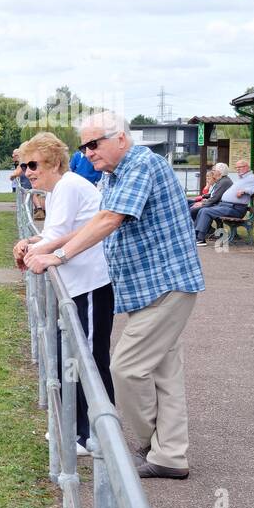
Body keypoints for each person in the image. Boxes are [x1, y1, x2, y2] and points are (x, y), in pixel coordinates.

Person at [26, 112, 204, 479]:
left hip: (167, 284)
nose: (88, 152)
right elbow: (94, 223)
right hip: (146, 290)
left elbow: (110, 220)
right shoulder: (113, 175)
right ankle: (169, 456)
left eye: (95, 143)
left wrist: (55, 256)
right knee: (164, 374)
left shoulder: (141, 164)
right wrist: (42, 245)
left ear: (120, 138)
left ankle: (144, 443)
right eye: (84, 146)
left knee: (126, 368)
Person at [12, 133, 114, 456]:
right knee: (72, 356)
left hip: (90, 284)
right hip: (78, 286)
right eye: (24, 165)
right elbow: (54, 234)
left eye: (33, 164)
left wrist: (33, 248)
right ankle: (78, 429)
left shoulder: (68, 186)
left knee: (91, 358)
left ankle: (99, 436)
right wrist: (30, 244)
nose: (27, 171)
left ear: (54, 163)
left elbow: (55, 236)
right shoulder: (59, 190)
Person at [195, 158, 254, 243]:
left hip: (235, 209)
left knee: (205, 211)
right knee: (202, 210)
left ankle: (200, 239)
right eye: (236, 168)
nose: (237, 169)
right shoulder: (242, 178)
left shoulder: (250, 178)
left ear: (246, 167)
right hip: (227, 206)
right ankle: (196, 235)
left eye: (240, 167)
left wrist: (245, 191)